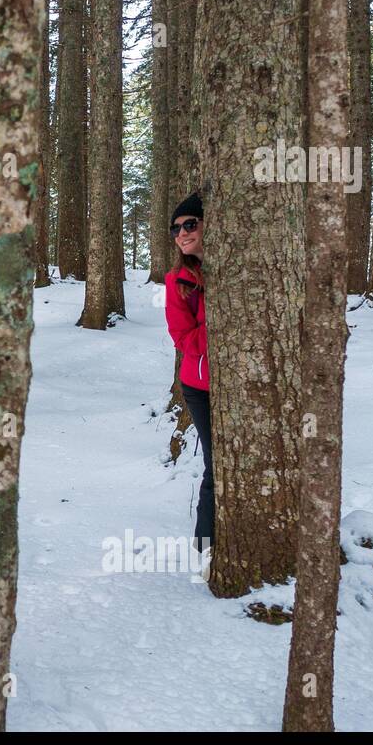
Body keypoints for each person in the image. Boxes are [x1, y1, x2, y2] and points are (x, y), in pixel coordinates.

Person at [163, 192, 212, 552]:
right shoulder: (177, 280)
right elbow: (183, 340)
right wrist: (219, 320)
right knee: (217, 465)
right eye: (176, 228)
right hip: (200, 385)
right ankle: (206, 548)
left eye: (190, 224)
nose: (182, 233)